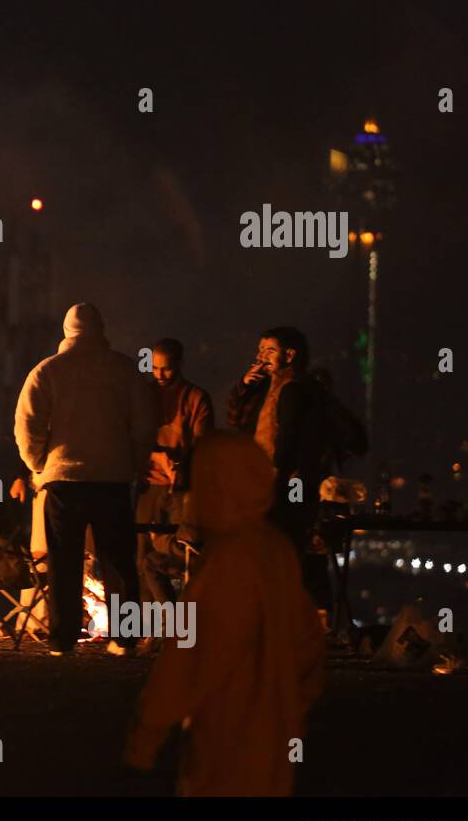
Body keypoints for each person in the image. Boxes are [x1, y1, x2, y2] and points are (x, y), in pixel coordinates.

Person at [123, 432, 326, 795]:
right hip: (275, 734)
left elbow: (186, 660)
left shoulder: (224, 564)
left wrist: (146, 735)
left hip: (224, 734)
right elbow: (307, 638)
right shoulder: (276, 550)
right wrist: (295, 706)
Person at [14, 302, 156, 655]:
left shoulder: (46, 372)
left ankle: (62, 639)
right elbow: (145, 424)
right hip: (112, 479)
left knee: (63, 560)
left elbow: (26, 425)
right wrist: (134, 464)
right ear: (101, 329)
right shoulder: (126, 371)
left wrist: (38, 464)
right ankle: (124, 639)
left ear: (66, 331)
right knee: (118, 560)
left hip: (62, 479)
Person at [226, 327, 334, 610]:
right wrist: (244, 387)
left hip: (285, 485)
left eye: (269, 350)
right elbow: (237, 421)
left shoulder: (295, 389)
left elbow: (287, 439)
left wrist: (276, 475)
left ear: (290, 354)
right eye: (260, 350)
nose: (261, 357)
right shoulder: (266, 387)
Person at [136, 339, 213, 614]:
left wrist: (181, 463)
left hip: (183, 488)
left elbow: (204, 445)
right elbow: (132, 438)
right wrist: (155, 457)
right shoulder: (143, 395)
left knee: (180, 557)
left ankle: (183, 625)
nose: (159, 375)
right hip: (149, 485)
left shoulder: (195, 398)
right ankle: (150, 626)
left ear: (179, 365)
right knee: (142, 555)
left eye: (166, 369)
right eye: (155, 368)